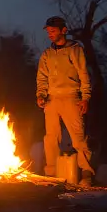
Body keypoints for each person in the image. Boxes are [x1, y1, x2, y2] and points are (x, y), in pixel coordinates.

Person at [36, 16, 94, 187]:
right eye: (48, 32)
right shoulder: (46, 54)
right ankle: (51, 174)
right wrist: (41, 94)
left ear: (63, 30)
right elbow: (42, 77)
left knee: (78, 138)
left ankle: (86, 173)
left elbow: (84, 74)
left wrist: (85, 97)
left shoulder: (75, 50)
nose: (50, 34)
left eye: (53, 31)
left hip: (71, 98)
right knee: (51, 137)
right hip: (51, 100)